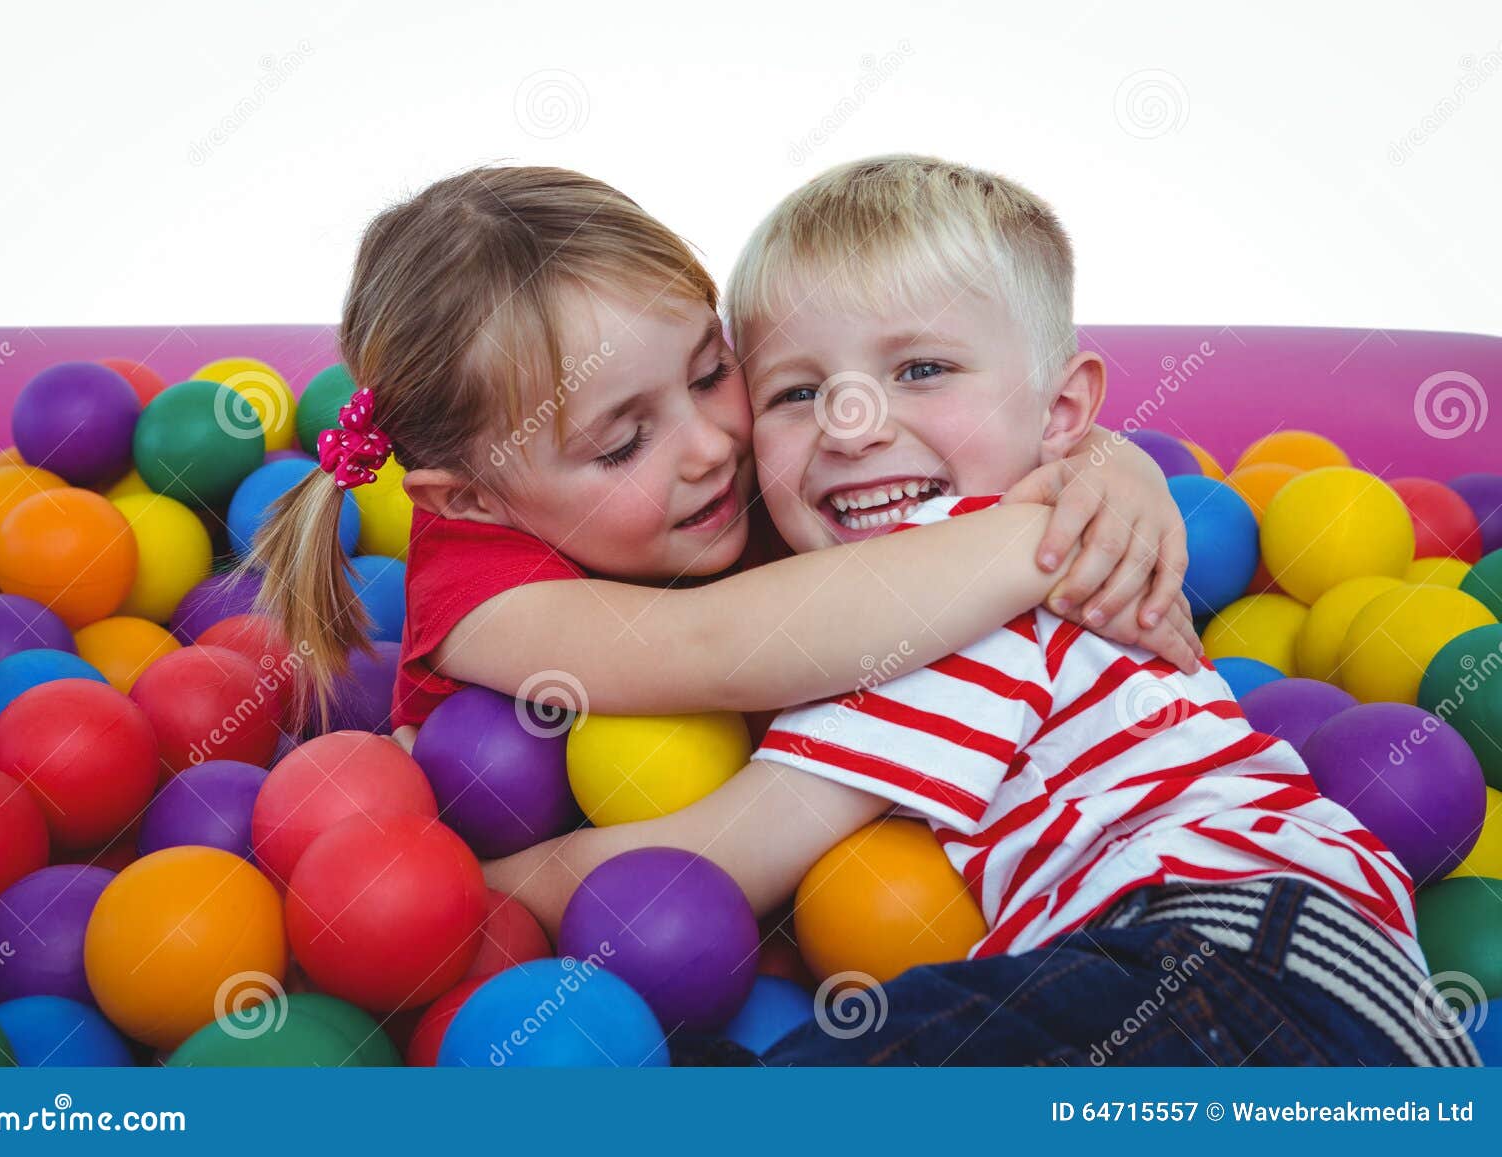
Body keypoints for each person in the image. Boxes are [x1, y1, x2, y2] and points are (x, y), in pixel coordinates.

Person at [485, 155, 1476, 1067]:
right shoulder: (1008, 548)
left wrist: (471, 891)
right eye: (795, 391)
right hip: (1321, 991)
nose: (850, 421)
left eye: (919, 369)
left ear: (1059, 411)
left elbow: (722, 855)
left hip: (1232, 967)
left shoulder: (937, 598)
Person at [246, 165, 1199, 751]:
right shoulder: (478, 597)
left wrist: (1105, 463)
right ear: (474, 498)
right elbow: (721, 650)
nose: (712, 446)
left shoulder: (754, 477)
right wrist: (1042, 530)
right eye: (623, 442)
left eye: (711, 373)